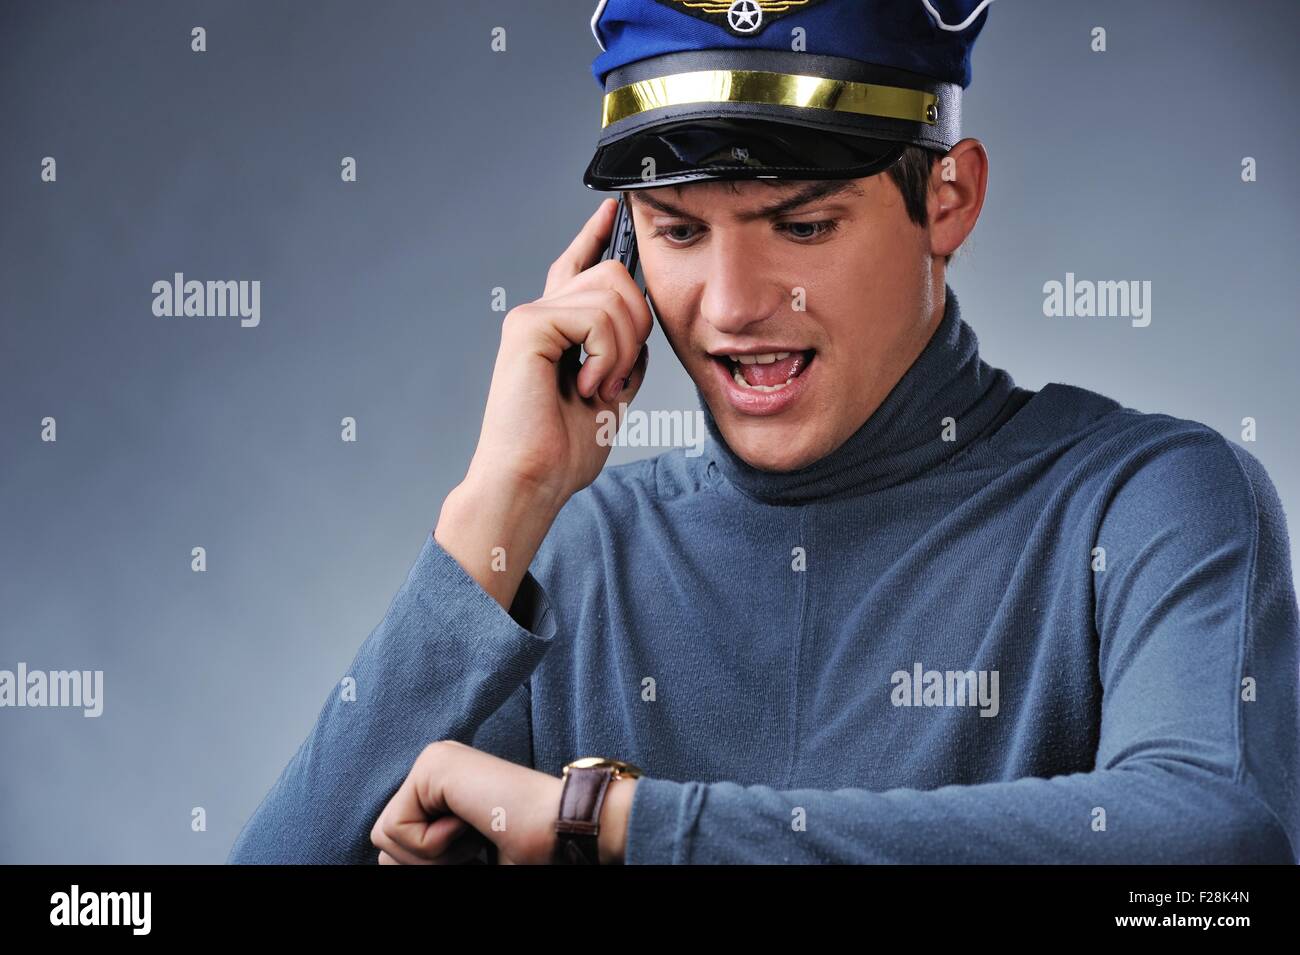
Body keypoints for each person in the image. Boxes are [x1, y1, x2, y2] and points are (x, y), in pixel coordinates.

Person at [228, 0, 1299, 864]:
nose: (735, 304)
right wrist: (500, 501)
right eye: (679, 231)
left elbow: (1216, 856)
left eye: (802, 224)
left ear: (949, 202)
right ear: (620, 249)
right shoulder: (572, 554)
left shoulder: (1150, 498)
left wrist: (613, 827)